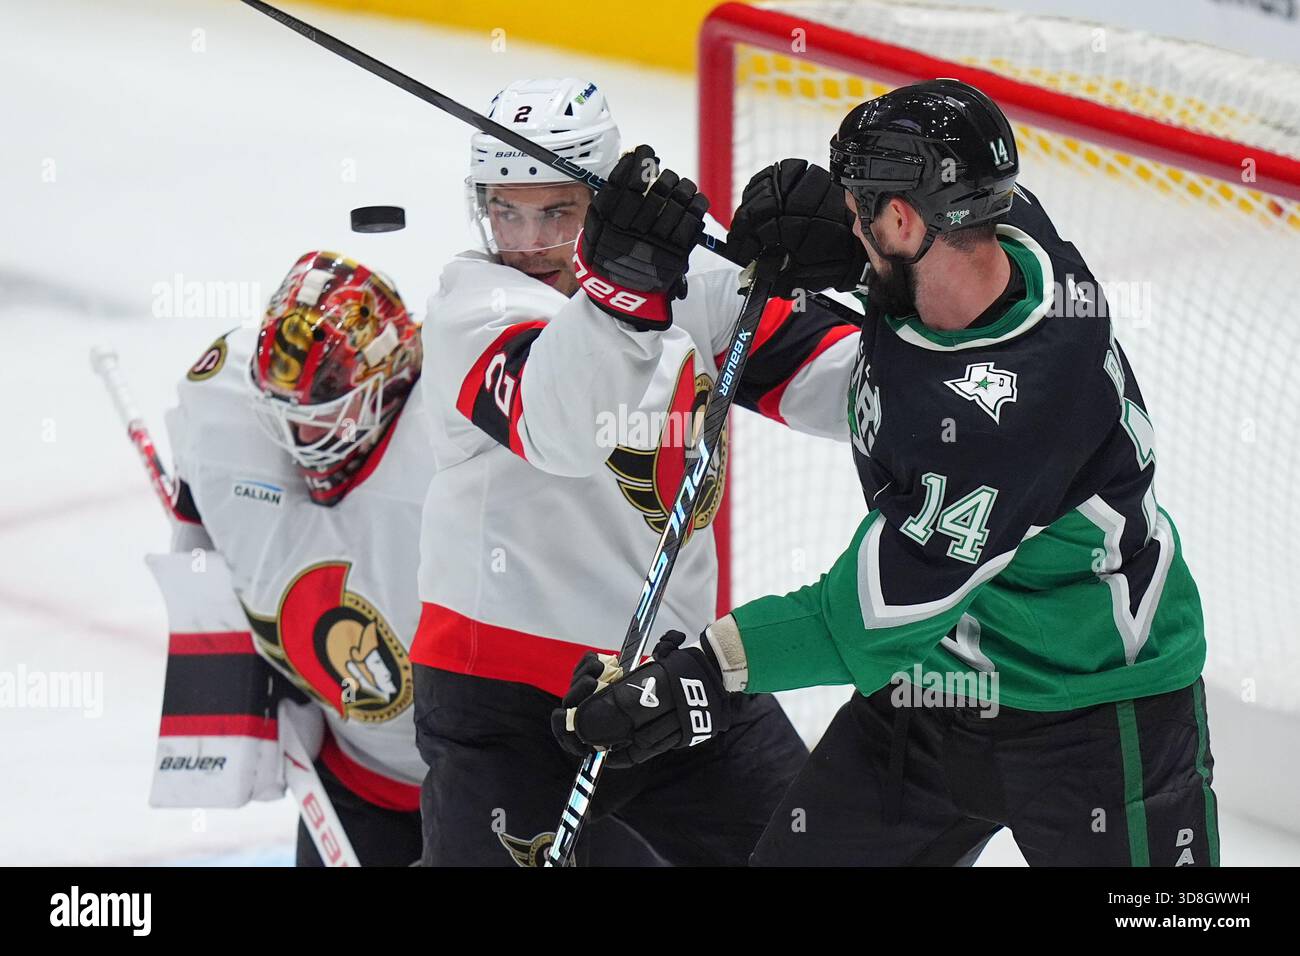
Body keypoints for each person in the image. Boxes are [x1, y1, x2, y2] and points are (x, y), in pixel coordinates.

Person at [555, 80, 1218, 867]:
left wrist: (698, 674)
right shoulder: (1009, 232)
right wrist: (828, 251)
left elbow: (861, 617)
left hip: (1103, 714)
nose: (849, 221)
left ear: (901, 220)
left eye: (857, 208)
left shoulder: (1001, 424)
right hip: (937, 687)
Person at [411, 77, 859, 865]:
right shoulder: (471, 306)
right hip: (506, 704)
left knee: (819, 853)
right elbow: (558, 429)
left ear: (603, 195)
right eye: (505, 210)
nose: (526, 240)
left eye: (556, 212)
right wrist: (622, 291)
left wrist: (874, 270)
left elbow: (848, 388)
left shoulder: (689, 283)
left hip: (675, 681)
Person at [157, 251, 430, 865]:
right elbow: (203, 527)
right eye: (287, 414)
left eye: (326, 409)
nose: (303, 439)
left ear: (389, 379)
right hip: (351, 777)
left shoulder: (455, 445)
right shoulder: (227, 417)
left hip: (483, 781)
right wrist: (245, 666)